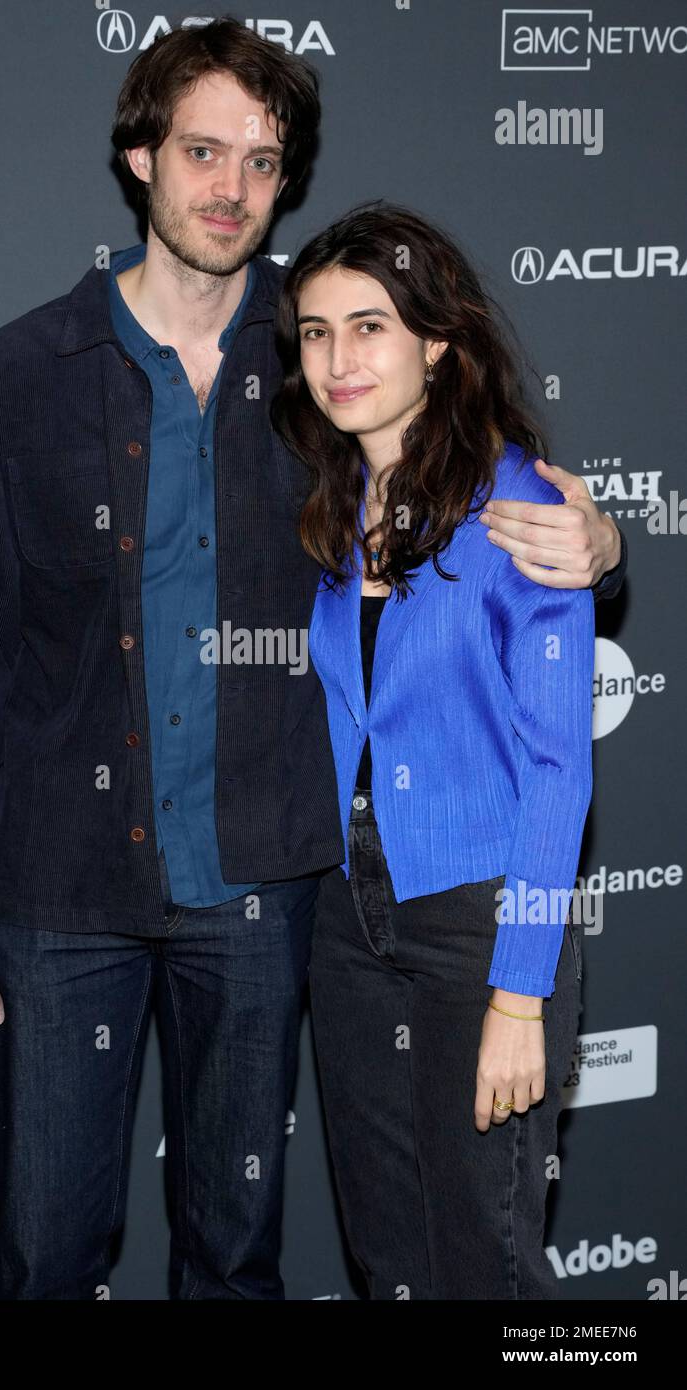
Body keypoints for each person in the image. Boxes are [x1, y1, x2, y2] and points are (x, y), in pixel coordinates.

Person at [0, 19, 625, 1301]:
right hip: (58, 897)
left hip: (264, 890)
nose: (229, 186)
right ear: (139, 159)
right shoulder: (20, 375)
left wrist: (600, 541)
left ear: (287, 183)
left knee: (239, 1257)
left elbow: (483, 500)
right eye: (201, 150)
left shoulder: (318, 376)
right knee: (45, 1249)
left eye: (263, 161)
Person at [271, 200, 597, 1300]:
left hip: (479, 915)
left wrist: (519, 994)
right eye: (314, 332)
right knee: (388, 1254)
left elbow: (559, 770)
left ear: (434, 339)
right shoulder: (331, 500)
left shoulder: (520, 511)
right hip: (348, 914)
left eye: (369, 326)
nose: (337, 358)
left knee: (484, 1258)